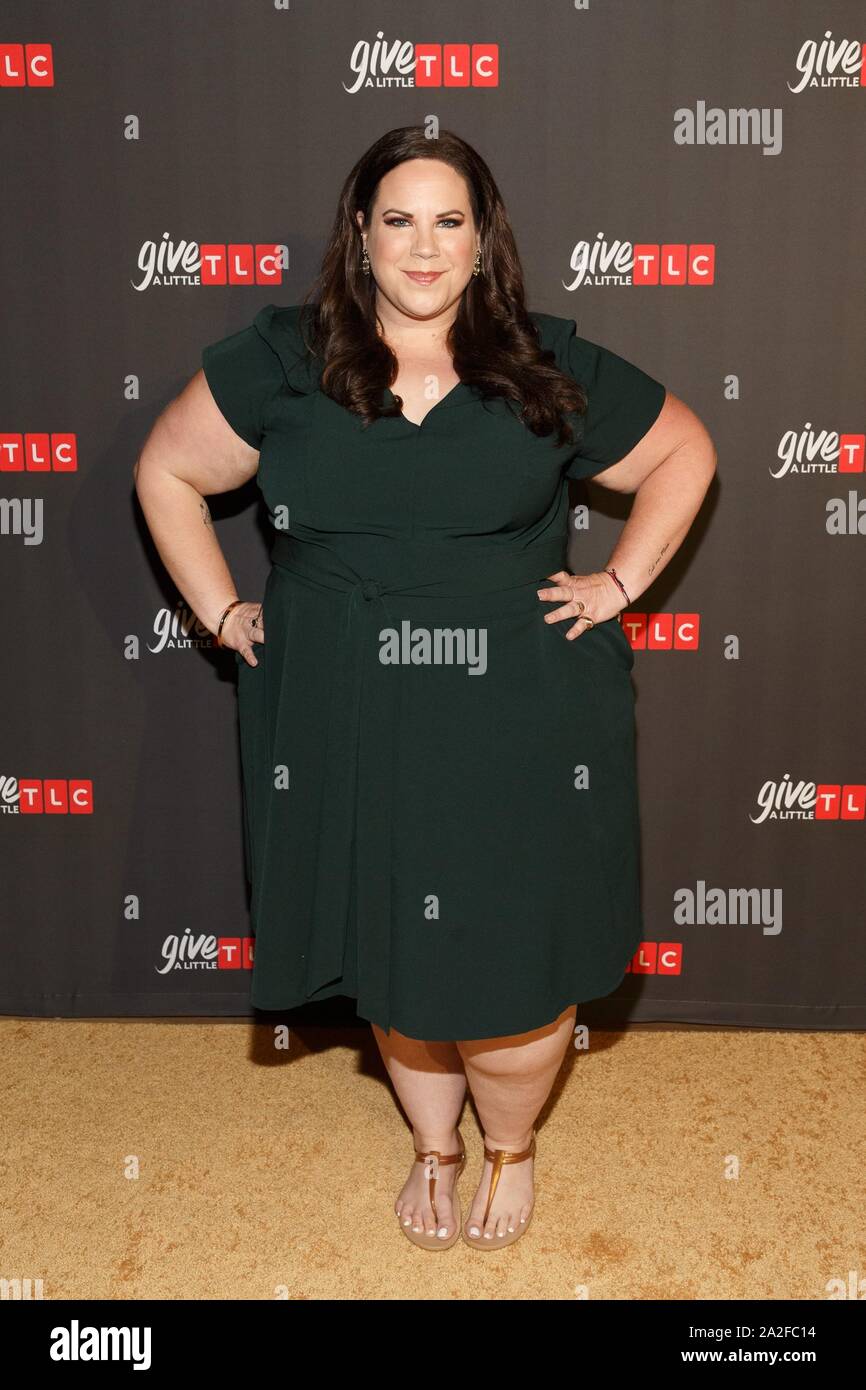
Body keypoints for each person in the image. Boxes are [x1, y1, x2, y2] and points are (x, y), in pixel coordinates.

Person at [133, 126, 716, 1253]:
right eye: (398, 219)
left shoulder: (541, 361)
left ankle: (512, 1145)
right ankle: (435, 1146)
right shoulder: (285, 357)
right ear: (359, 235)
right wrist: (221, 609)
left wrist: (619, 584)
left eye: (449, 221)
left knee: (510, 954)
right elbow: (166, 468)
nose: (423, 245)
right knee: (394, 943)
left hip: (517, 708)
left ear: (483, 240)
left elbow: (682, 450)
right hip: (344, 703)